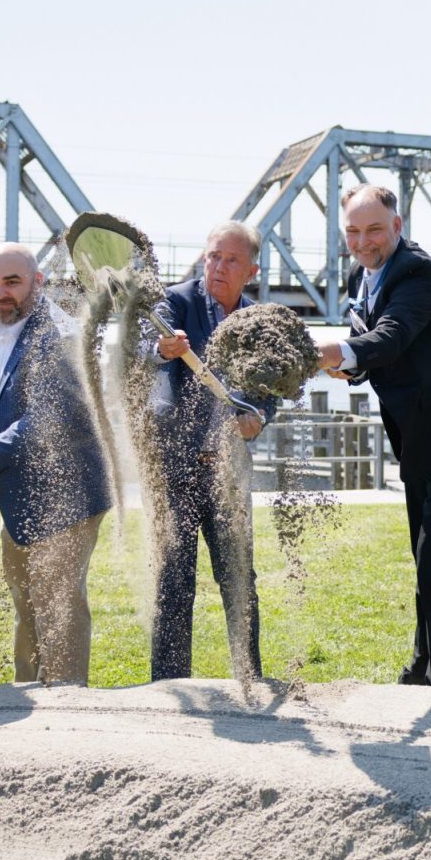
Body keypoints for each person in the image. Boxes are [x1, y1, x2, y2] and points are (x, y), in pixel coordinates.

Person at [317, 186, 431, 688]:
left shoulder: (419, 275)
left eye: (374, 229)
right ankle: (421, 668)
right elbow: (383, 356)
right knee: (424, 560)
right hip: (420, 435)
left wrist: (321, 353)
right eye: (353, 231)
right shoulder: (361, 274)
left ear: (397, 227)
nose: (363, 241)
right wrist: (351, 369)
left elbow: (390, 338)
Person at [0, 243, 113, 686]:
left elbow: (50, 419)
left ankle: (66, 703)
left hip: (66, 494)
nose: (0, 293)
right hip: (19, 492)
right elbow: (1, 400)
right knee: (26, 602)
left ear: (38, 282)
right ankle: (29, 697)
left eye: (12, 282)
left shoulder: (63, 335)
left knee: (58, 606)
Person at [149, 221, 276, 682]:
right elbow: (149, 341)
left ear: (251, 271)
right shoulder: (175, 303)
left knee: (239, 579)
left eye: (231, 260)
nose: (218, 267)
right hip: (173, 466)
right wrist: (163, 349)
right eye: (213, 257)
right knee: (174, 582)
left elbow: (270, 389)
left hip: (228, 469)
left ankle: (250, 679)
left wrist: (259, 415)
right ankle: (168, 686)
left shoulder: (259, 323)